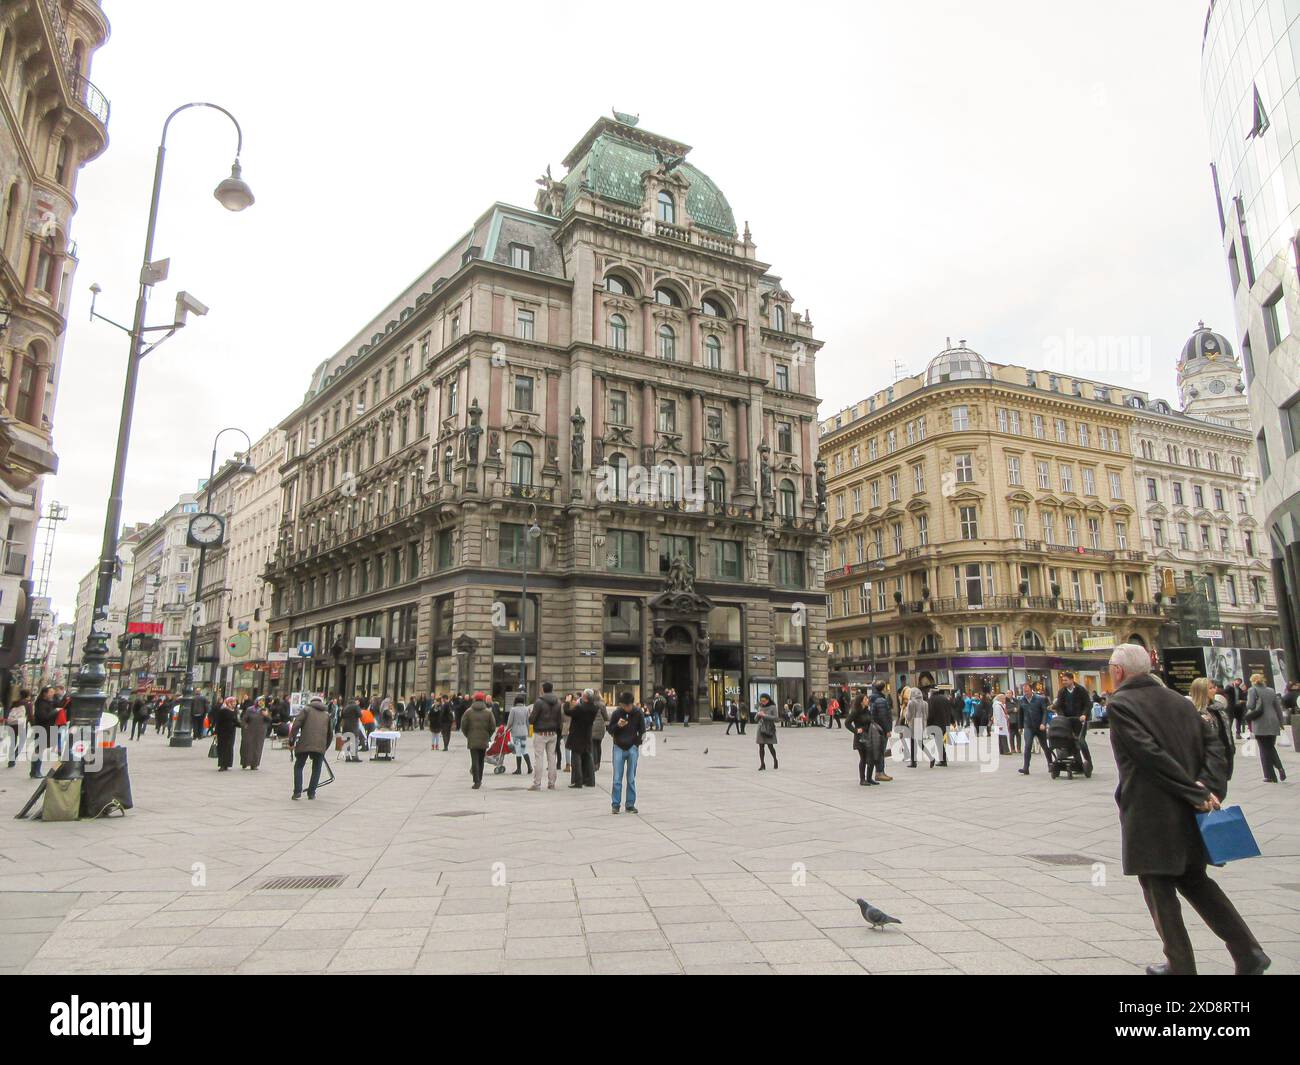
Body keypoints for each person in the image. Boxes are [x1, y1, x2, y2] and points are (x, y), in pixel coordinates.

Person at [1105, 643, 1268, 976]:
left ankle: (1180, 965)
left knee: (1158, 885)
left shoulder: (1121, 704)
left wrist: (1193, 791)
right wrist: (1207, 789)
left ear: (1119, 671)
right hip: (1190, 812)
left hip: (1151, 813)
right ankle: (1248, 952)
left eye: (1110, 667)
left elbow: (1147, 754)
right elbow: (1216, 745)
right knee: (1196, 881)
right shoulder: (1180, 701)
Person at [1190, 678, 1235, 795]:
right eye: (1210, 688)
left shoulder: (1220, 709)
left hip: (1224, 755)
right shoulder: (1194, 712)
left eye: (1214, 687)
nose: (1214, 690)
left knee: (1221, 792)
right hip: (1207, 760)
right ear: (1201, 691)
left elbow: (1227, 733)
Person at [288, 695, 333, 800]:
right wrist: (324, 747)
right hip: (320, 745)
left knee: (299, 766)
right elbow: (330, 734)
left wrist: (291, 741)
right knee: (317, 769)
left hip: (305, 743)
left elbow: (296, 725)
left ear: (311, 701)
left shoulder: (306, 710)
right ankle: (311, 793)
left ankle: (297, 792)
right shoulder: (326, 714)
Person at [1244, 673, 1287, 783]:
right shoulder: (1271, 690)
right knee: (1270, 747)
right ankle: (1279, 769)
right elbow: (1278, 707)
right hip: (1273, 721)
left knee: (1264, 749)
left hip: (1260, 722)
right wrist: (1281, 722)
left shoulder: (1252, 690)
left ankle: (1270, 775)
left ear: (1253, 681)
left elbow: (1250, 705)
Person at [609, 691, 645, 814]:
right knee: (617, 778)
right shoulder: (616, 713)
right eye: (625, 706)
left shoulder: (638, 713)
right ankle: (615, 804)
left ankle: (630, 804)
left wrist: (636, 744)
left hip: (632, 748)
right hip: (618, 747)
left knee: (631, 778)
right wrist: (618, 725)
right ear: (621, 705)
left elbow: (643, 731)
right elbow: (610, 730)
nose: (627, 708)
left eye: (629, 705)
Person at [1053, 671, 1092, 774]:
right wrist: (1061, 716)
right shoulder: (1062, 692)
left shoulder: (1081, 690)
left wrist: (1084, 714)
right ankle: (1078, 765)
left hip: (1079, 721)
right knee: (1071, 742)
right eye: (1063, 680)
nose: (1064, 682)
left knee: (1081, 741)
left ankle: (1089, 763)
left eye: (1065, 680)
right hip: (1067, 721)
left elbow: (1088, 704)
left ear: (1071, 680)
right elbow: (1059, 705)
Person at [528, 681, 563, 791]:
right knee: (552, 758)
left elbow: (532, 720)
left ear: (543, 689)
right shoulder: (558, 702)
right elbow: (560, 719)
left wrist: (530, 715)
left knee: (539, 758)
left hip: (540, 733)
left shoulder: (539, 702)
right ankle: (551, 783)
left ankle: (537, 784)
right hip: (553, 733)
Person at [565, 689, 599, 788]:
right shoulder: (594, 708)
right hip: (587, 734)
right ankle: (590, 781)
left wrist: (567, 702)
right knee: (588, 757)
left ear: (585, 697)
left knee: (576, 758)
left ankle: (578, 781)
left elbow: (568, 712)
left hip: (577, 735)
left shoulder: (580, 708)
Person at [1017, 682, 1051, 774]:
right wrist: (1020, 727)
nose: (1026, 693)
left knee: (1044, 746)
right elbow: (1020, 714)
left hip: (1039, 726)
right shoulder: (1022, 700)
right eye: (1024, 691)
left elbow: (1045, 712)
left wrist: (1043, 723)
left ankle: (1050, 764)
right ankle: (1026, 768)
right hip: (1028, 726)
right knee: (1027, 746)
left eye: (1027, 691)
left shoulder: (1039, 699)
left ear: (1031, 690)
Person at [848, 691, 880, 785]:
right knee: (863, 758)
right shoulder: (855, 712)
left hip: (869, 736)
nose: (867, 700)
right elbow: (847, 723)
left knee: (872, 757)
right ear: (861, 701)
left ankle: (869, 778)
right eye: (865, 699)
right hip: (860, 738)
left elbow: (871, 720)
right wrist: (856, 730)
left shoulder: (867, 710)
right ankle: (862, 779)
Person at [239, 698, 269, 770]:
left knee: (257, 747)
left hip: (260, 732)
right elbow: (244, 719)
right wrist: (245, 726)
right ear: (256, 701)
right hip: (249, 731)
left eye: (263, 701)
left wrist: (266, 715)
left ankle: (254, 764)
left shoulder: (264, 710)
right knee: (246, 747)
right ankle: (245, 762)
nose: (261, 702)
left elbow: (269, 720)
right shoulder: (250, 709)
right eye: (260, 701)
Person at [506, 694, 532, 775]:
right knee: (524, 749)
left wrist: (506, 729)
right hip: (524, 732)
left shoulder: (513, 709)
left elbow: (510, 722)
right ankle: (529, 767)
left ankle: (519, 769)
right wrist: (530, 732)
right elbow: (528, 722)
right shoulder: (526, 709)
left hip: (516, 733)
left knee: (518, 750)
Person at [212, 696, 239, 771]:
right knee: (222, 748)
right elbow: (218, 722)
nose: (235, 703)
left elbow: (235, 721)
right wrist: (215, 732)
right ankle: (222, 764)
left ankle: (227, 763)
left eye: (235, 702)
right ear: (228, 703)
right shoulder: (223, 710)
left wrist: (242, 725)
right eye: (233, 702)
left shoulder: (234, 711)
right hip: (222, 732)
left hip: (231, 733)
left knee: (229, 748)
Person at [902, 685, 927, 768]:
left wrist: (905, 713)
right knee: (919, 742)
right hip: (921, 724)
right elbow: (926, 715)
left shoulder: (911, 702)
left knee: (914, 743)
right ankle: (915, 761)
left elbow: (908, 716)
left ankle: (914, 762)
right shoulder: (924, 703)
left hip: (913, 724)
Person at [4, 691, 30, 768]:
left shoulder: (14, 703)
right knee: (22, 741)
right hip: (22, 725)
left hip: (12, 725)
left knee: (13, 742)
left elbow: (8, 713)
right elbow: (31, 715)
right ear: (27, 696)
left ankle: (10, 760)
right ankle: (13, 757)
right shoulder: (28, 704)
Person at [754, 693, 778, 770]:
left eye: (764, 701)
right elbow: (755, 719)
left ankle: (775, 759)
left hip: (769, 728)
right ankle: (762, 764)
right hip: (761, 729)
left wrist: (764, 715)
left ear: (768, 700)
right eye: (761, 701)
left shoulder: (773, 707)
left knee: (770, 746)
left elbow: (776, 718)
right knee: (761, 746)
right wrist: (758, 714)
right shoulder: (760, 707)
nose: (762, 702)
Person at [590, 694, 610, 771]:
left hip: (592, 726)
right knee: (598, 745)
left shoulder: (590, 705)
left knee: (593, 745)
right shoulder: (602, 705)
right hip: (600, 727)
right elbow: (606, 717)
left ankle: (594, 763)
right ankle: (598, 763)